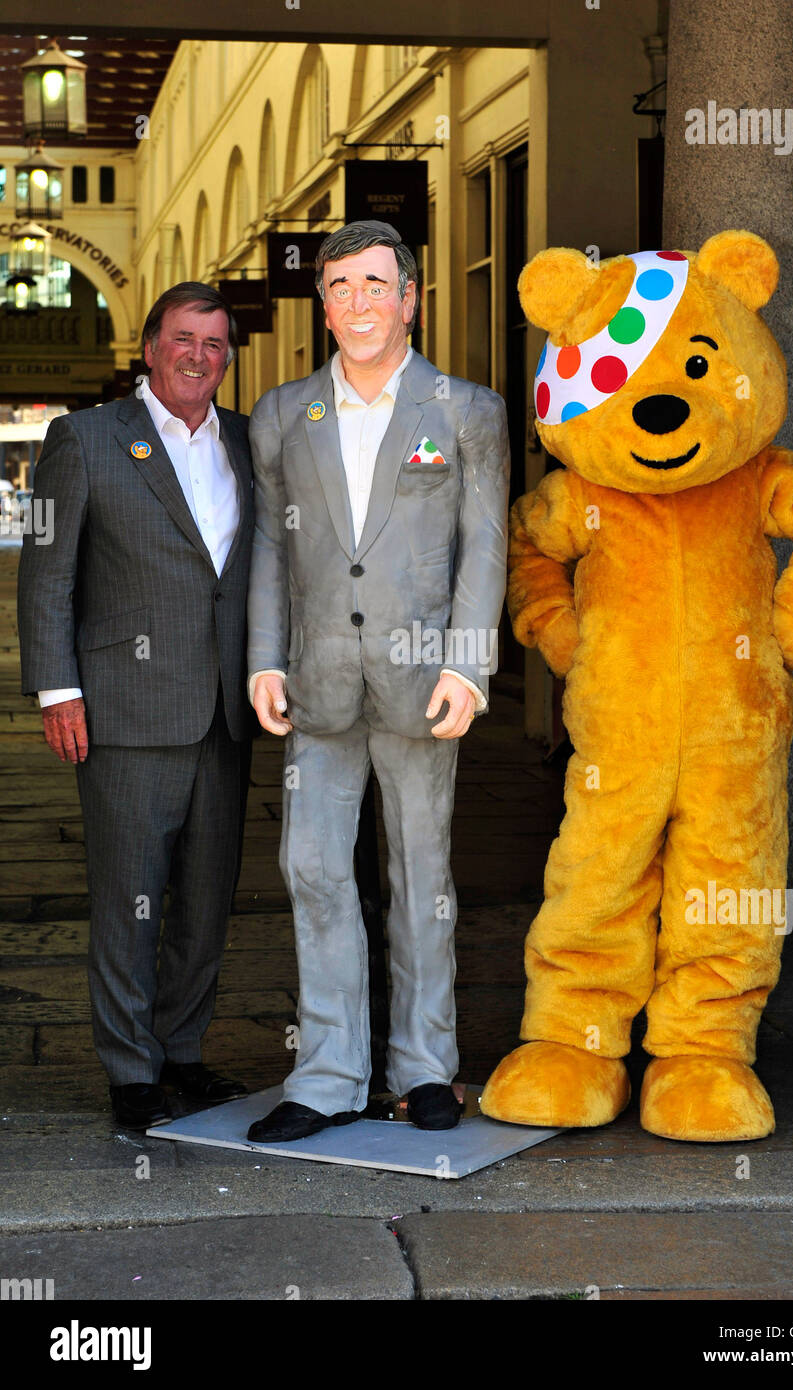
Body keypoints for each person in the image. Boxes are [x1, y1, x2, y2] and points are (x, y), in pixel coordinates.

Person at [247, 220, 510, 1141]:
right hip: (316, 680)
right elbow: (272, 548)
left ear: (412, 300)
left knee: (420, 872)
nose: (357, 303)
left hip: (420, 683)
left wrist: (470, 667)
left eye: (374, 285)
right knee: (311, 868)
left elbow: (485, 545)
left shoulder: (466, 409)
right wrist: (264, 658)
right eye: (340, 289)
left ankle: (424, 1068)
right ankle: (324, 1075)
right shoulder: (283, 413)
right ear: (323, 308)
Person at [18, 283, 255, 1130]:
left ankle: (182, 1055)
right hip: (126, 708)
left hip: (227, 710)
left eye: (216, 343)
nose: (199, 356)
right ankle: (131, 1072)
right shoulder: (84, 439)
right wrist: (58, 689)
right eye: (184, 339)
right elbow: (46, 572)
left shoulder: (246, 440)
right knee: (130, 896)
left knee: (204, 896)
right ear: (151, 347)